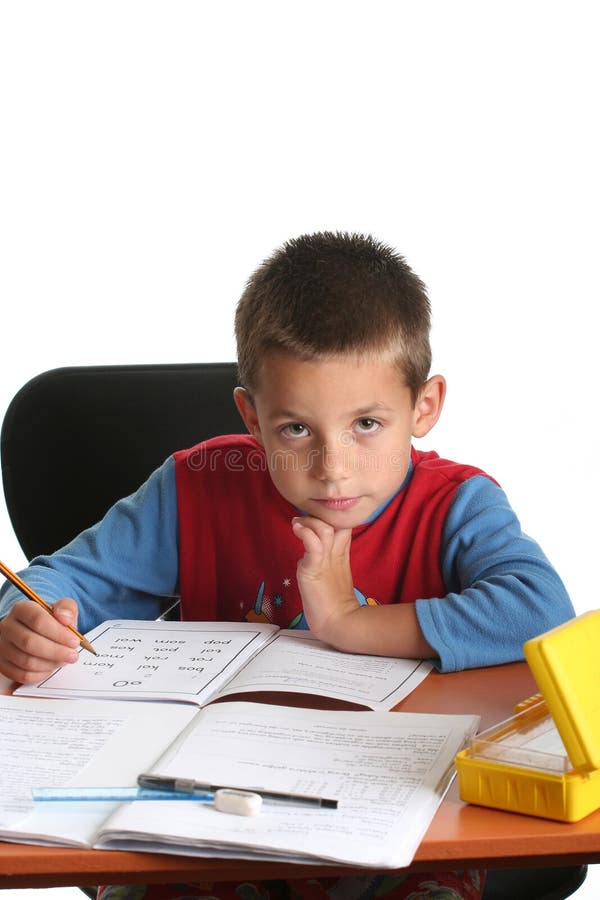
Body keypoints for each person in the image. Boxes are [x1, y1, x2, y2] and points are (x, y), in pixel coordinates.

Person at [0, 232, 575, 900]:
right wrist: (24, 619)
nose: (333, 467)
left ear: (424, 407)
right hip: (207, 817)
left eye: (367, 424)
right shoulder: (196, 486)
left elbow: (541, 610)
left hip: (392, 812)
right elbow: (59, 582)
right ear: (252, 416)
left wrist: (351, 622)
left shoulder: (455, 504)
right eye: (297, 429)